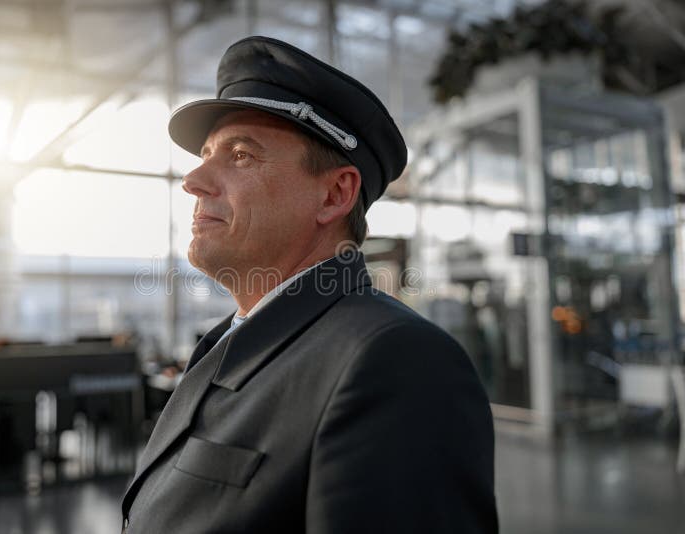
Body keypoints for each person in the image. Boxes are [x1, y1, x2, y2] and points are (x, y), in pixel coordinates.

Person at [121, 36, 498, 534]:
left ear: (335, 194)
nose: (194, 179)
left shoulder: (396, 362)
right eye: (206, 153)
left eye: (240, 156)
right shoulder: (229, 339)